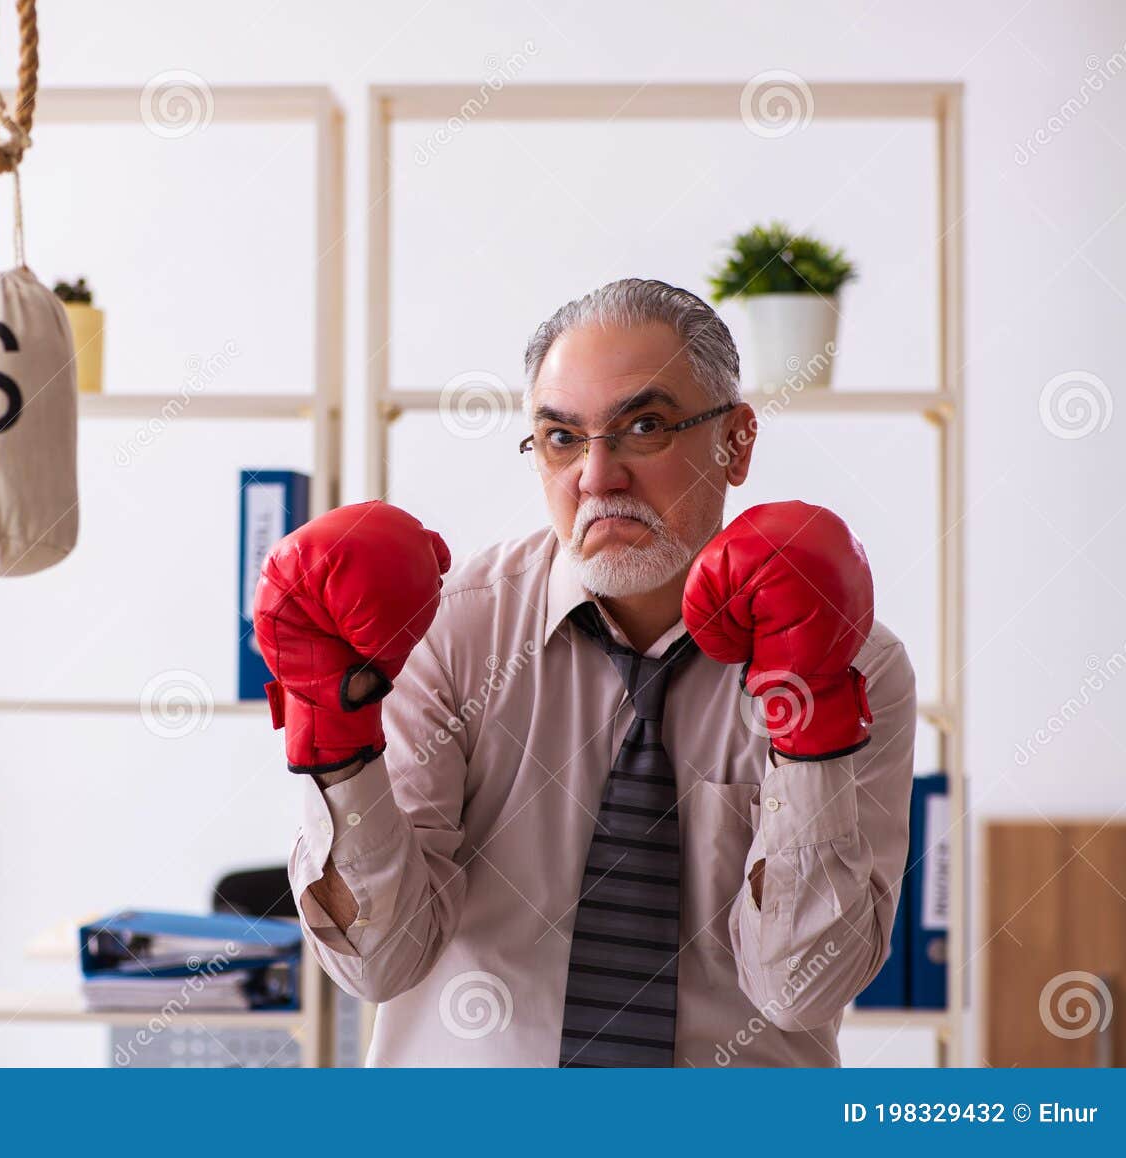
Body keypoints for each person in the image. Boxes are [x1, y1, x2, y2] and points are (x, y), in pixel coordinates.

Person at [254, 278, 915, 1067]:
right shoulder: (451, 633)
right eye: (562, 437)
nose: (598, 477)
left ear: (736, 443)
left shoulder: (858, 663)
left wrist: (813, 720)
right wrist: (331, 724)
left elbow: (801, 990)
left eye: (645, 427)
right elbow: (376, 962)